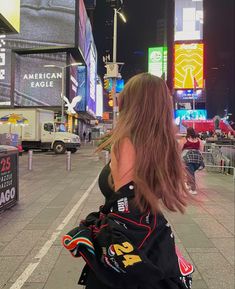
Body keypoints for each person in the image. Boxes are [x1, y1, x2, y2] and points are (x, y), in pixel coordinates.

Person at [62, 73, 195, 289]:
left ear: (134, 104)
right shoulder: (164, 144)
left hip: (128, 241)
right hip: (153, 237)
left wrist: (94, 235)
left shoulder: (125, 142)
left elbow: (124, 203)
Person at [182, 127, 204, 195]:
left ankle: (193, 189)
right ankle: (188, 184)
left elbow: (179, 148)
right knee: (190, 172)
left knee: (190, 174)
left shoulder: (185, 140)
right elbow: (201, 149)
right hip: (197, 160)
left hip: (188, 159)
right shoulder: (198, 140)